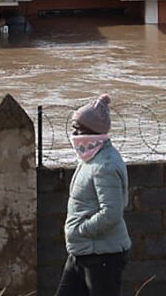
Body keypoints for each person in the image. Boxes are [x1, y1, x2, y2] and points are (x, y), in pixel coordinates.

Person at [55, 94, 130, 296]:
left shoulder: (105, 164)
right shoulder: (90, 159)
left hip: (102, 256)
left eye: (77, 128)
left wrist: (80, 230)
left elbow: (112, 213)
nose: (73, 132)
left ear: (92, 130)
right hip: (82, 253)